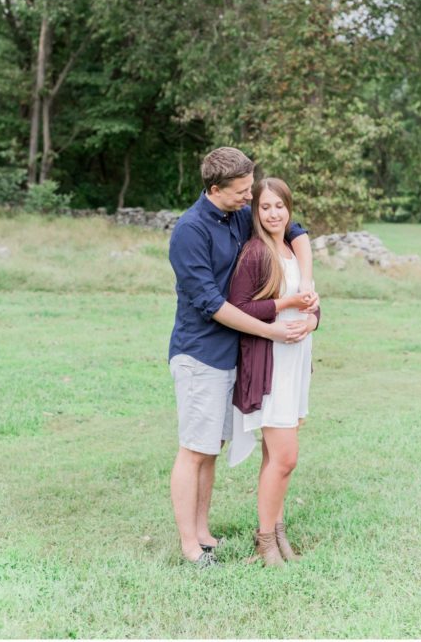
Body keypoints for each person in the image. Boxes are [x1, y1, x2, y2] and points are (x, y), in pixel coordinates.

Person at [167, 148, 318, 567]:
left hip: (235, 351)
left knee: (211, 447)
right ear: (215, 189)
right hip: (201, 353)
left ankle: (204, 532)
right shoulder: (190, 231)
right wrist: (272, 329)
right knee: (193, 450)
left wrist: (306, 285)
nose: (249, 197)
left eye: (250, 188)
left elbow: (295, 230)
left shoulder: (236, 213)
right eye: (241, 191)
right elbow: (213, 304)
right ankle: (190, 546)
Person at [226, 177, 318, 567]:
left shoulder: (293, 252)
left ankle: (278, 533)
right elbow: (239, 308)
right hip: (271, 366)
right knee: (285, 458)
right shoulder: (255, 254)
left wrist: (312, 320)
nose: (273, 213)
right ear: (256, 212)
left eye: (279, 206)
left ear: (289, 209)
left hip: (296, 366)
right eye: (265, 207)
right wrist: (285, 304)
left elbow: (312, 305)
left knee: (274, 457)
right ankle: (265, 542)